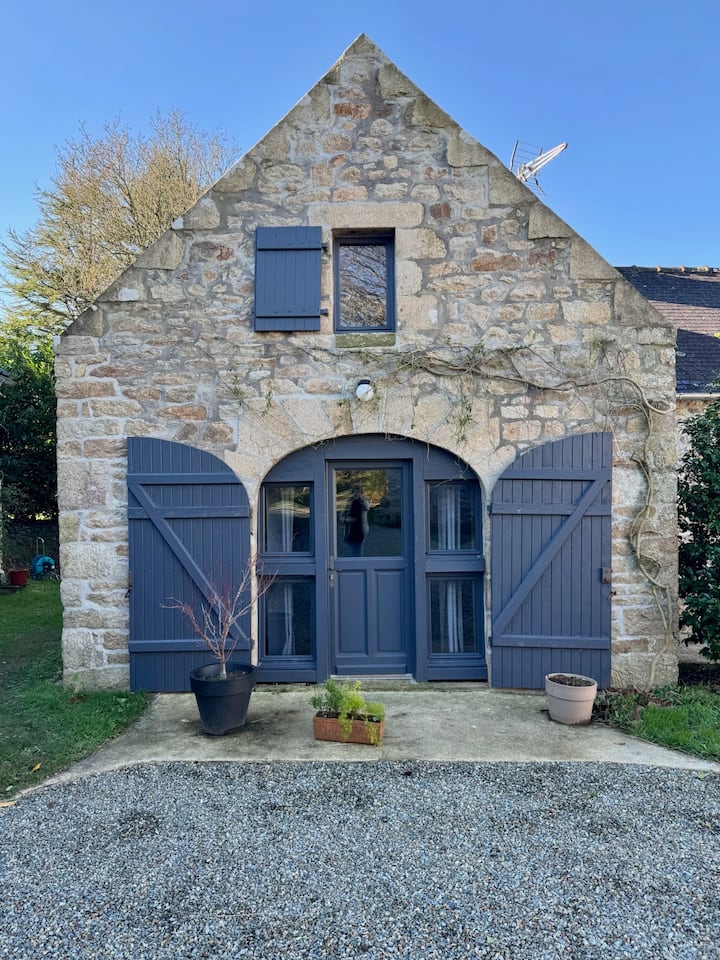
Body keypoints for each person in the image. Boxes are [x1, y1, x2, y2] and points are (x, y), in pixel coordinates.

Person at [344, 487, 369, 556]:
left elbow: (367, 508)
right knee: (352, 549)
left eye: (358, 492)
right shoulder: (351, 501)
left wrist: (361, 499)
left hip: (362, 528)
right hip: (351, 528)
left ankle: (359, 564)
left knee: (359, 549)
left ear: (361, 493)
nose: (356, 494)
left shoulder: (363, 501)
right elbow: (346, 512)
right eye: (355, 492)